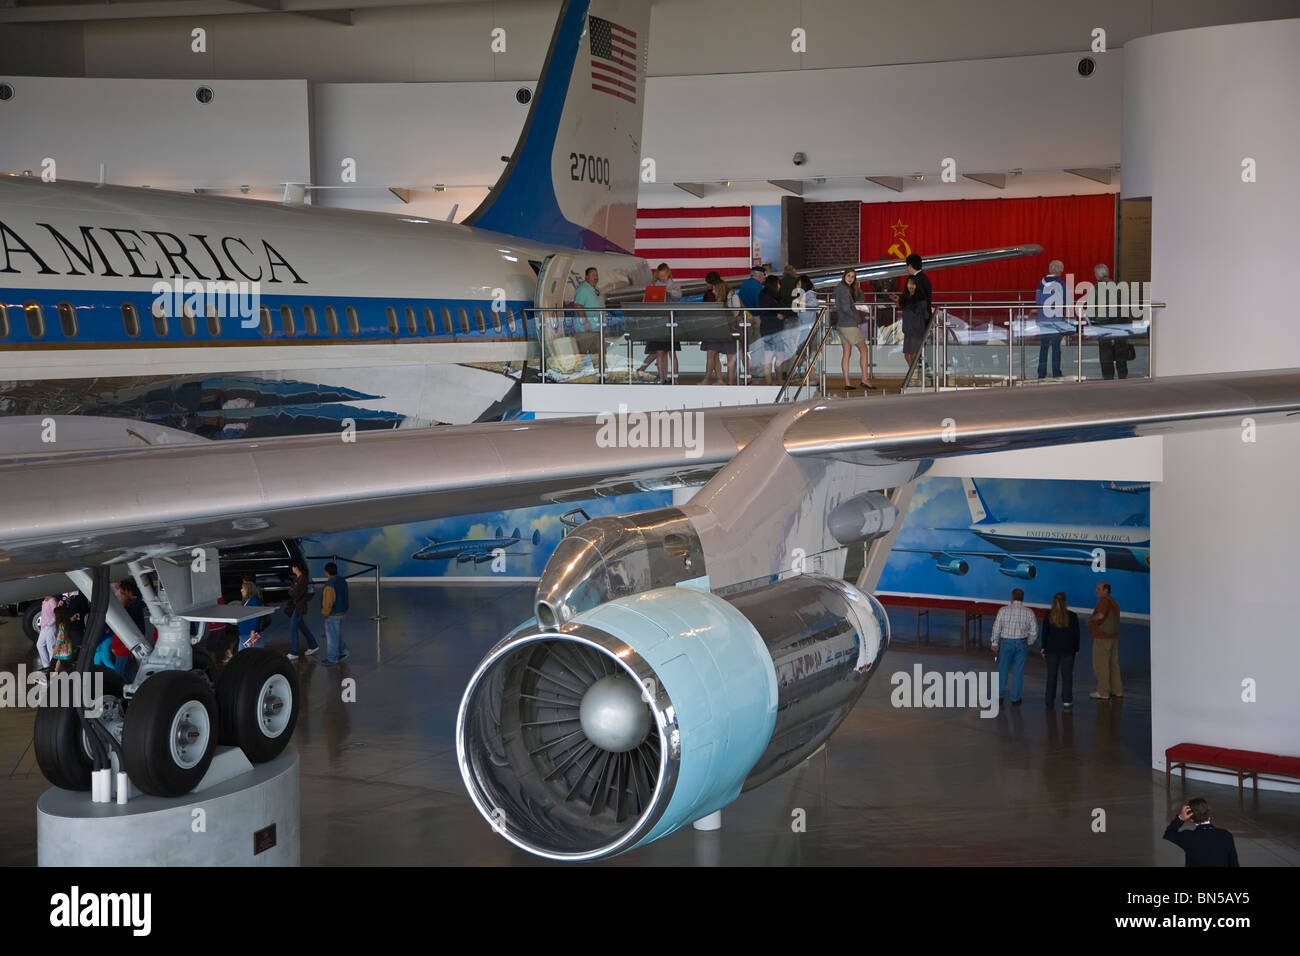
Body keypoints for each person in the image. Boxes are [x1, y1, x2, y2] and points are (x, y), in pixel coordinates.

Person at [990, 587, 1037, 705]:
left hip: (1006, 643)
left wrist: (994, 642)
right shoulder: (1029, 612)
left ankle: (999, 696)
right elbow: (1034, 631)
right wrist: (1029, 642)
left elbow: (996, 627)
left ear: (1012, 598)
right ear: (1022, 598)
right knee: (1018, 672)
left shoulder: (1003, 610)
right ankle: (1015, 699)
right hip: (1022, 643)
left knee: (1002, 670)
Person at [639, 263, 682, 383]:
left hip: (670, 323)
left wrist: (667, 291)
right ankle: (662, 377)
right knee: (659, 352)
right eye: (660, 276)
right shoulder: (654, 286)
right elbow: (645, 301)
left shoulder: (673, 286)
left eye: (664, 275)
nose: (662, 278)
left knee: (671, 352)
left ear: (668, 274)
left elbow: (679, 295)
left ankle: (675, 378)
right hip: (657, 324)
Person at [1163, 799, 1239, 867]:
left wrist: (1181, 818)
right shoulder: (1225, 835)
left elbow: (1169, 833)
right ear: (1209, 815)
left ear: (1191, 819)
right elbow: (1233, 862)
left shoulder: (1188, 837)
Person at [1088, 263, 1129, 380]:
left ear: (1098, 275)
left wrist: (1093, 322)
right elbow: (1125, 305)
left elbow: (1092, 308)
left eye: (1095, 274)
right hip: (1119, 322)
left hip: (1103, 323)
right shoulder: (1118, 286)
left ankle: (1107, 375)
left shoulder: (1095, 287)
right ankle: (1122, 373)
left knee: (1105, 349)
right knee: (1120, 347)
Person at [1039, 592, 1080, 709]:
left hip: (1051, 650)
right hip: (1068, 650)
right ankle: (1067, 700)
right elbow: (1076, 635)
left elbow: (1045, 633)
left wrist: (1043, 647)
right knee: (1067, 676)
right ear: (1065, 602)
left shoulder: (1049, 615)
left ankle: (1049, 700)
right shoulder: (1072, 616)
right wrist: (1076, 649)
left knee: (1051, 676)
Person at [833, 269, 871, 390]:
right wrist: (857, 317)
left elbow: (860, 296)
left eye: (853, 277)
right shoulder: (843, 290)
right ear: (844, 276)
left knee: (846, 353)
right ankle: (864, 379)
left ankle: (847, 382)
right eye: (848, 276)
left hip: (841, 324)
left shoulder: (841, 288)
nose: (850, 278)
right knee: (864, 350)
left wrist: (855, 287)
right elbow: (846, 308)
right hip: (849, 324)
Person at [699, 271, 736, 384]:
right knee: (721, 354)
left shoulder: (725, 297)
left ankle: (713, 379)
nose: (711, 290)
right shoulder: (729, 294)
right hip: (721, 328)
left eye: (714, 288)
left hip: (718, 328)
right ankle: (724, 381)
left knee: (713, 353)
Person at [1088, 580, 1122, 700]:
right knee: (1113, 665)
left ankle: (1103, 692)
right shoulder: (1114, 602)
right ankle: (1117, 690)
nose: (1096, 591)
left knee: (1101, 664)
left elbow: (1101, 615)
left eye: (1099, 589)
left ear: (1106, 591)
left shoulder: (1103, 601)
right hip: (1113, 637)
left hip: (1102, 637)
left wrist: (1091, 619)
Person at [1036, 259, 1067, 379]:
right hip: (1056, 320)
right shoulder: (1060, 283)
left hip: (1043, 319)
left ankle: (1041, 373)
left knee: (1043, 347)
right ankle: (1056, 373)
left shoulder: (1042, 282)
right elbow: (1065, 301)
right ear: (1060, 270)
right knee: (1056, 348)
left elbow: (1038, 300)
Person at [755, 275, 786, 384]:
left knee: (773, 356)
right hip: (772, 330)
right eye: (778, 283)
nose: (779, 285)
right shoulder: (767, 296)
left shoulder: (765, 295)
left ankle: (773, 381)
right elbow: (767, 311)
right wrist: (777, 314)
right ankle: (775, 381)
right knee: (775, 356)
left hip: (771, 329)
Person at [285, 560, 319, 661]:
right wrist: (292, 590)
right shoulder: (298, 578)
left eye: (293, 567)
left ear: (296, 568)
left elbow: (294, 593)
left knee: (293, 628)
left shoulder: (302, 579)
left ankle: (294, 652)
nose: (292, 568)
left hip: (298, 607)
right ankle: (313, 645)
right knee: (302, 627)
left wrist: (292, 590)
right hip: (297, 606)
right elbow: (292, 590)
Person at [319, 562, 351, 665]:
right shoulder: (342, 580)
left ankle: (332, 658)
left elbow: (328, 602)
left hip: (333, 614)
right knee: (336, 633)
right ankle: (343, 651)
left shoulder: (329, 585)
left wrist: (325, 613)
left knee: (332, 636)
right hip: (342, 612)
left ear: (327, 572)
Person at [898, 274, 927, 371]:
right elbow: (904, 309)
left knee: (914, 354)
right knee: (907, 355)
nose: (911, 286)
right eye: (909, 283)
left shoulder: (921, 299)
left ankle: (914, 375)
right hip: (908, 330)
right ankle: (914, 374)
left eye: (913, 284)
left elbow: (924, 314)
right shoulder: (905, 297)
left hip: (917, 330)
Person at [235, 576, 263, 654]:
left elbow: (255, 616)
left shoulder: (253, 600)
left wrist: (252, 630)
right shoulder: (248, 600)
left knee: (243, 653)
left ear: (248, 590)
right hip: (244, 632)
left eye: (243, 588)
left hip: (248, 632)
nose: (241, 590)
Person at [35, 594, 58, 671]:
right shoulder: (44, 601)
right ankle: (46, 665)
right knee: (39, 644)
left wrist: (50, 623)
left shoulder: (52, 601)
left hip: (51, 626)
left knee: (51, 647)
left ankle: (52, 667)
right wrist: (43, 624)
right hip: (44, 626)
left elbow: (56, 614)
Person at [49, 604, 73, 674]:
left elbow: (59, 641)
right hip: (65, 650)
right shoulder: (66, 624)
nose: (53, 615)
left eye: (54, 614)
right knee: (62, 664)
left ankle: (49, 677)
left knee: (54, 664)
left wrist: (54, 650)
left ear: (58, 616)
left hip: (62, 651)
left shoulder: (61, 627)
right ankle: (53, 674)